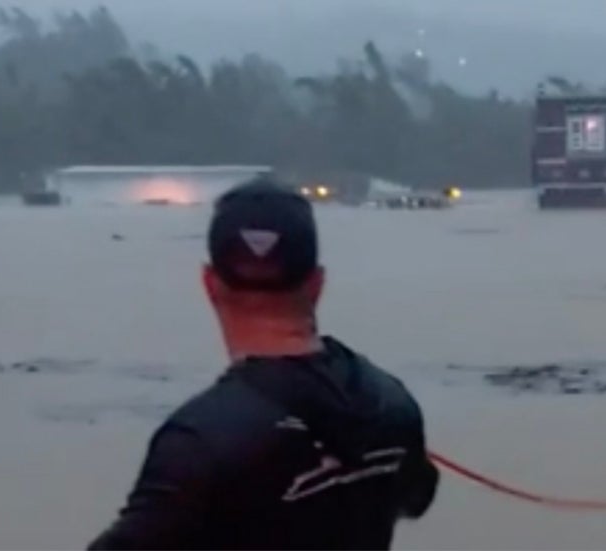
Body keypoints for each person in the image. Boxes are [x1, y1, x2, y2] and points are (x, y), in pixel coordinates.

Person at [89, 178, 439, 550]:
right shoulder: (390, 400)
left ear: (209, 284)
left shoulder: (199, 440)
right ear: (317, 284)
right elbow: (416, 499)